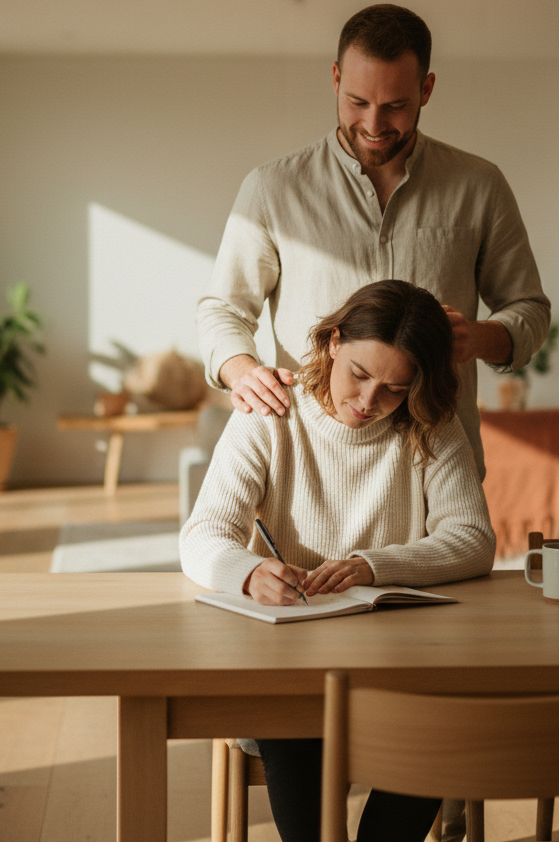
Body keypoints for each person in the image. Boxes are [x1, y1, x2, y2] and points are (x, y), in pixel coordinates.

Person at [181, 280, 495, 842]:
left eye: (395, 388)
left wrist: (372, 565)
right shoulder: (271, 409)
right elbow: (203, 534)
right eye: (359, 374)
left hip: (400, 666)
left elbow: (473, 537)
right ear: (331, 342)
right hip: (286, 672)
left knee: (433, 725)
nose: (370, 401)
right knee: (296, 724)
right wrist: (248, 573)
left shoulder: (430, 422)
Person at [196, 3, 550, 478]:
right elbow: (223, 309)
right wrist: (242, 371)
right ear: (337, 78)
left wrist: (477, 337)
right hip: (309, 474)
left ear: (426, 89)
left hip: (438, 473)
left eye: (395, 106)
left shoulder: (479, 186)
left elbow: (530, 309)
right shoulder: (271, 189)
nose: (374, 124)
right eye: (358, 102)